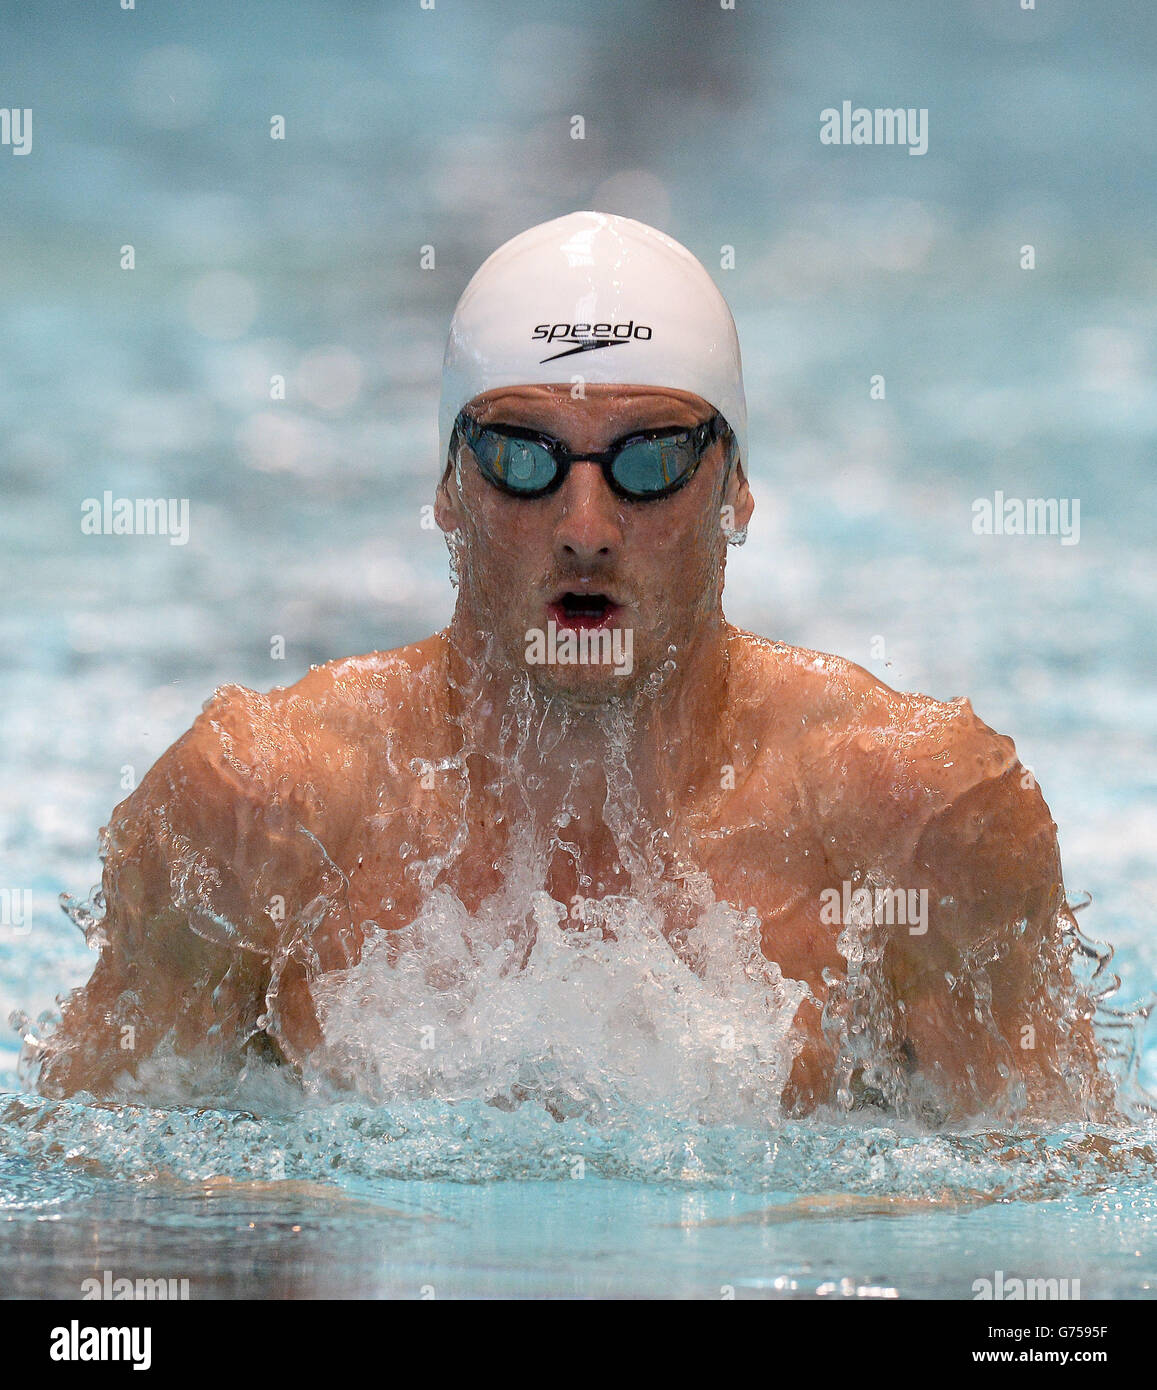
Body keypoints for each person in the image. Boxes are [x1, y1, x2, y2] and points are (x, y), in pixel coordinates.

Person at [37, 211, 1108, 1121]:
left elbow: (1053, 1196)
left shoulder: (912, 820)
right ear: (448, 488)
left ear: (734, 487)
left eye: (650, 460)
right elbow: (90, 1176)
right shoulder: (259, 811)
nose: (584, 528)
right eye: (521, 457)